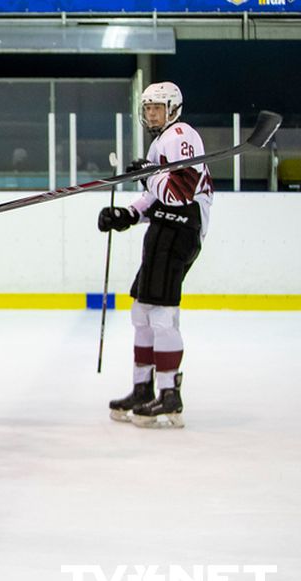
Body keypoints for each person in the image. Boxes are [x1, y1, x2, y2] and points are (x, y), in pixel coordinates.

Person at [101, 81, 213, 429]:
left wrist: (146, 178)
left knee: (162, 317)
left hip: (181, 230)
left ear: (173, 108)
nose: (151, 114)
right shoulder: (160, 142)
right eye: (147, 108)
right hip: (164, 228)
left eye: (157, 108)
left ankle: (169, 395)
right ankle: (142, 388)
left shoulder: (181, 135)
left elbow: (178, 194)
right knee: (142, 311)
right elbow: (157, 196)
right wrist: (129, 215)